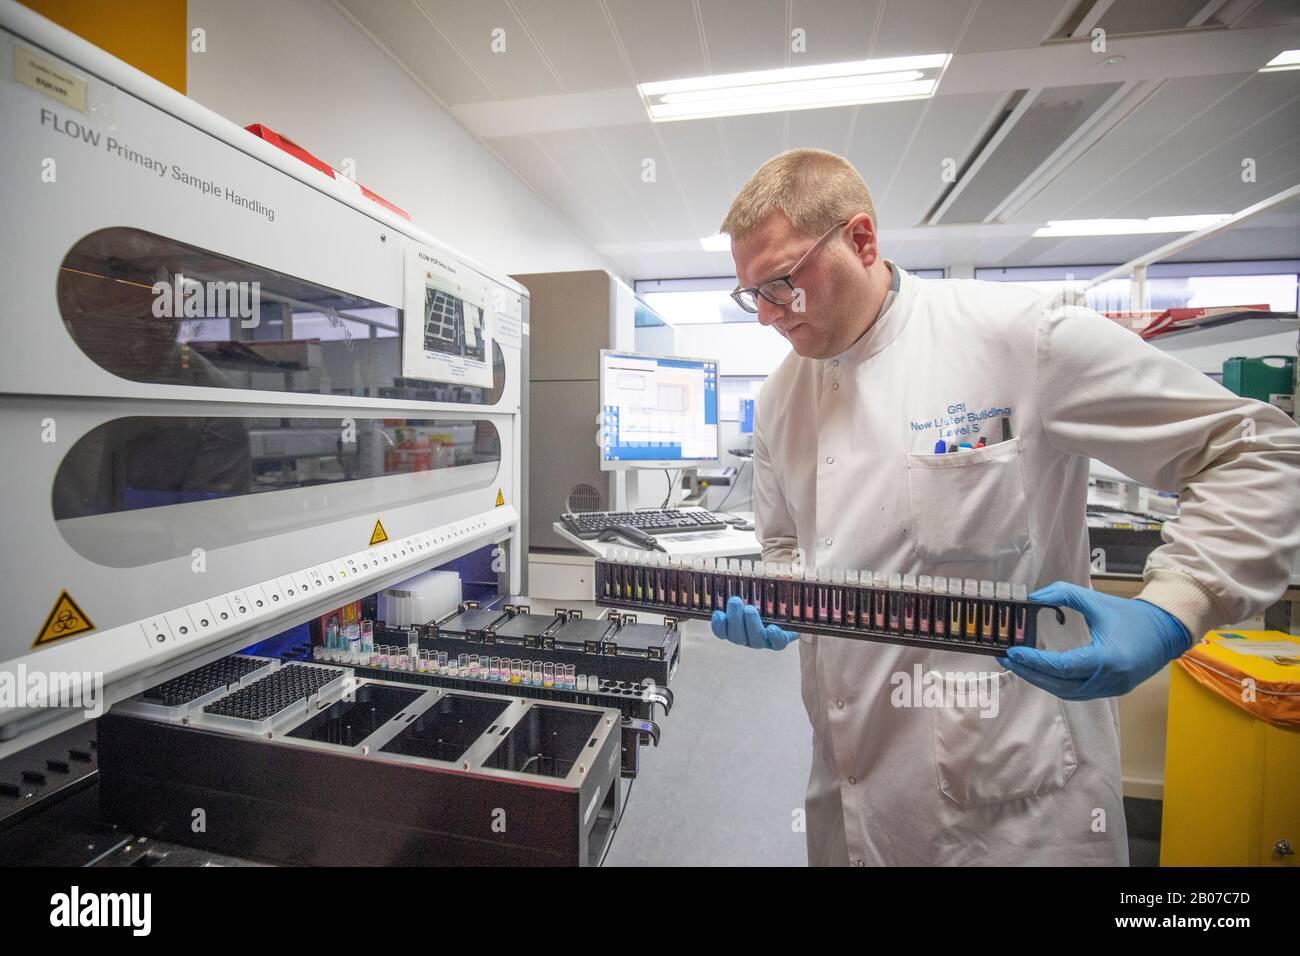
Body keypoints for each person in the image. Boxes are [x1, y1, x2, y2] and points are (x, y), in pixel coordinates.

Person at [711, 148, 1300, 866]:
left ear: (861, 240)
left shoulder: (1021, 338)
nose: (770, 316)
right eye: (752, 295)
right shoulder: (780, 399)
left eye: (782, 283)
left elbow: (1257, 450)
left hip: (1014, 803)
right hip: (849, 790)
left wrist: (1175, 606)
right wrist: (780, 601)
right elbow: (786, 552)